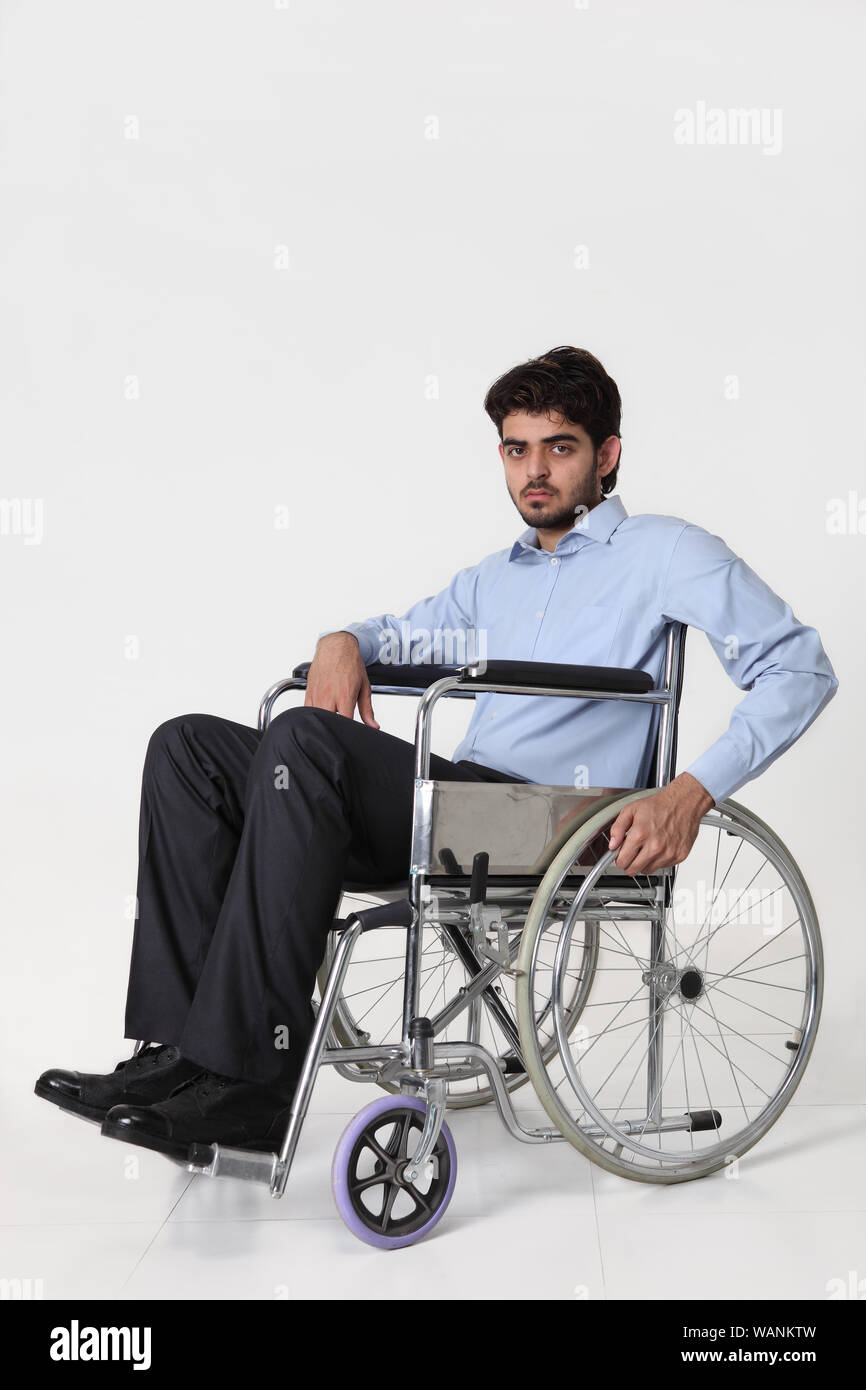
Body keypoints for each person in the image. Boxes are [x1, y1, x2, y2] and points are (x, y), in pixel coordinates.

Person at [34, 346, 838, 1159]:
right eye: (517, 449)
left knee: (305, 741)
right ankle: (179, 1056)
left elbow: (799, 669)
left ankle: (254, 1085)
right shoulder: (497, 579)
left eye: (559, 448)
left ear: (608, 455)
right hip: (461, 802)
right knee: (187, 749)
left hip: (555, 818)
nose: (536, 471)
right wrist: (344, 639)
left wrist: (690, 791)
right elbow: (402, 631)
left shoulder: (667, 551)